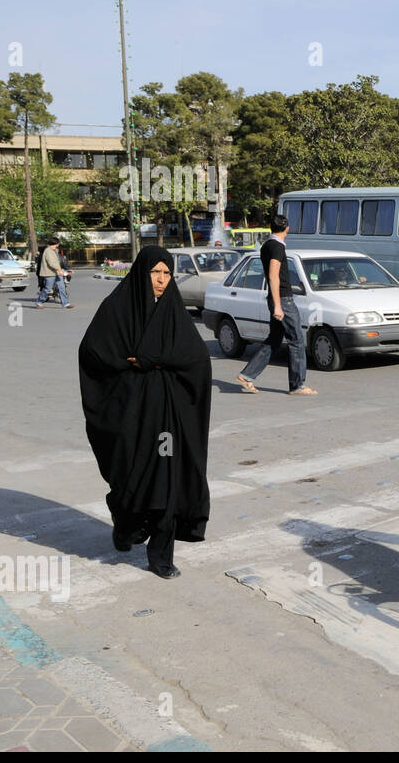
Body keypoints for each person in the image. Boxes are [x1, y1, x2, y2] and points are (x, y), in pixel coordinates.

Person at [78, 246, 212, 579]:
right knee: (129, 480)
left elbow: (197, 360)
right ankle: (125, 525)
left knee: (168, 483)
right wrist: (126, 362)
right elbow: (92, 351)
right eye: (156, 273)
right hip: (130, 412)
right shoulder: (117, 309)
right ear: (142, 273)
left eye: (167, 273)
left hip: (168, 416)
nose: (162, 280)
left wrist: (156, 358)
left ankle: (161, 557)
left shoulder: (173, 312)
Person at [235, 214, 317, 395]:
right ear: (287, 228)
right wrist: (278, 305)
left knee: (274, 340)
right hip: (283, 299)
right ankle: (297, 385)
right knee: (296, 340)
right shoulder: (277, 247)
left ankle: (247, 375)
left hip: (276, 298)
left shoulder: (267, 245)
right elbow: (273, 275)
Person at [34, 238, 72, 309]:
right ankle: (39, 302)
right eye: (58, 243)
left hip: (57, 273)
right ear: (56, 243)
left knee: (62, 288)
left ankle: (66, 303)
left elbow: (59, 261)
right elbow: (51, 263)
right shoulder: (48, 251)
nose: (59, 244)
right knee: (47, 289)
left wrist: (67, 269)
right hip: (49, 273)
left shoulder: (54, 251)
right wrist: (59, 270)